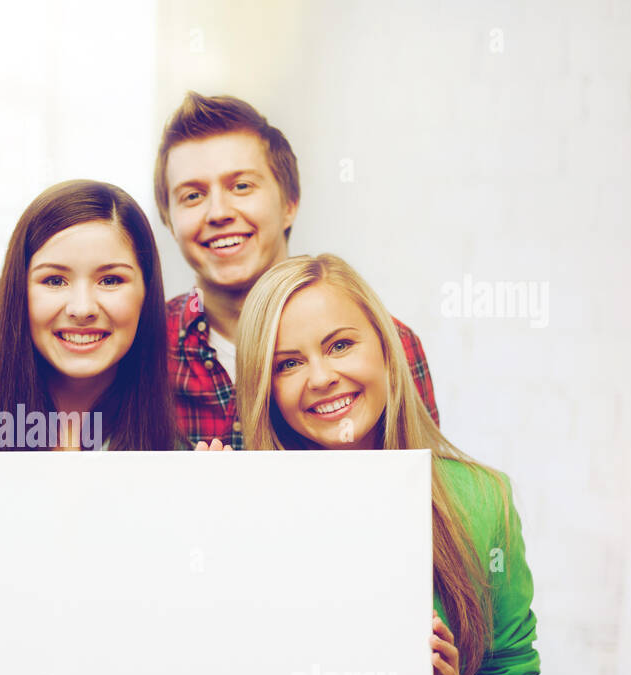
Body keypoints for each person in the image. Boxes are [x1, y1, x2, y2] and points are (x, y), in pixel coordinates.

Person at [233, 253, 541, 675]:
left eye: (340, 344)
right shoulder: (238, 510)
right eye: (287, 364)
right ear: (263, 387)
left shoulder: (481, 500)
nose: (319, 376)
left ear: (385, 348)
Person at [154, 92, 439, 448]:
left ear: (290, 203)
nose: (218, 213)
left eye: (241, 186)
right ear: (168, 221)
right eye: (192, 196)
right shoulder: (144, 351)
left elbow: (421, 490)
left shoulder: (388, 346)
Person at [0, 179, 178, 452]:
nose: (82, 309)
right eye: (55, 281)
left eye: (110, 280)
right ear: (19, 291)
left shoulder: (178, 457)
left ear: (146, 291)